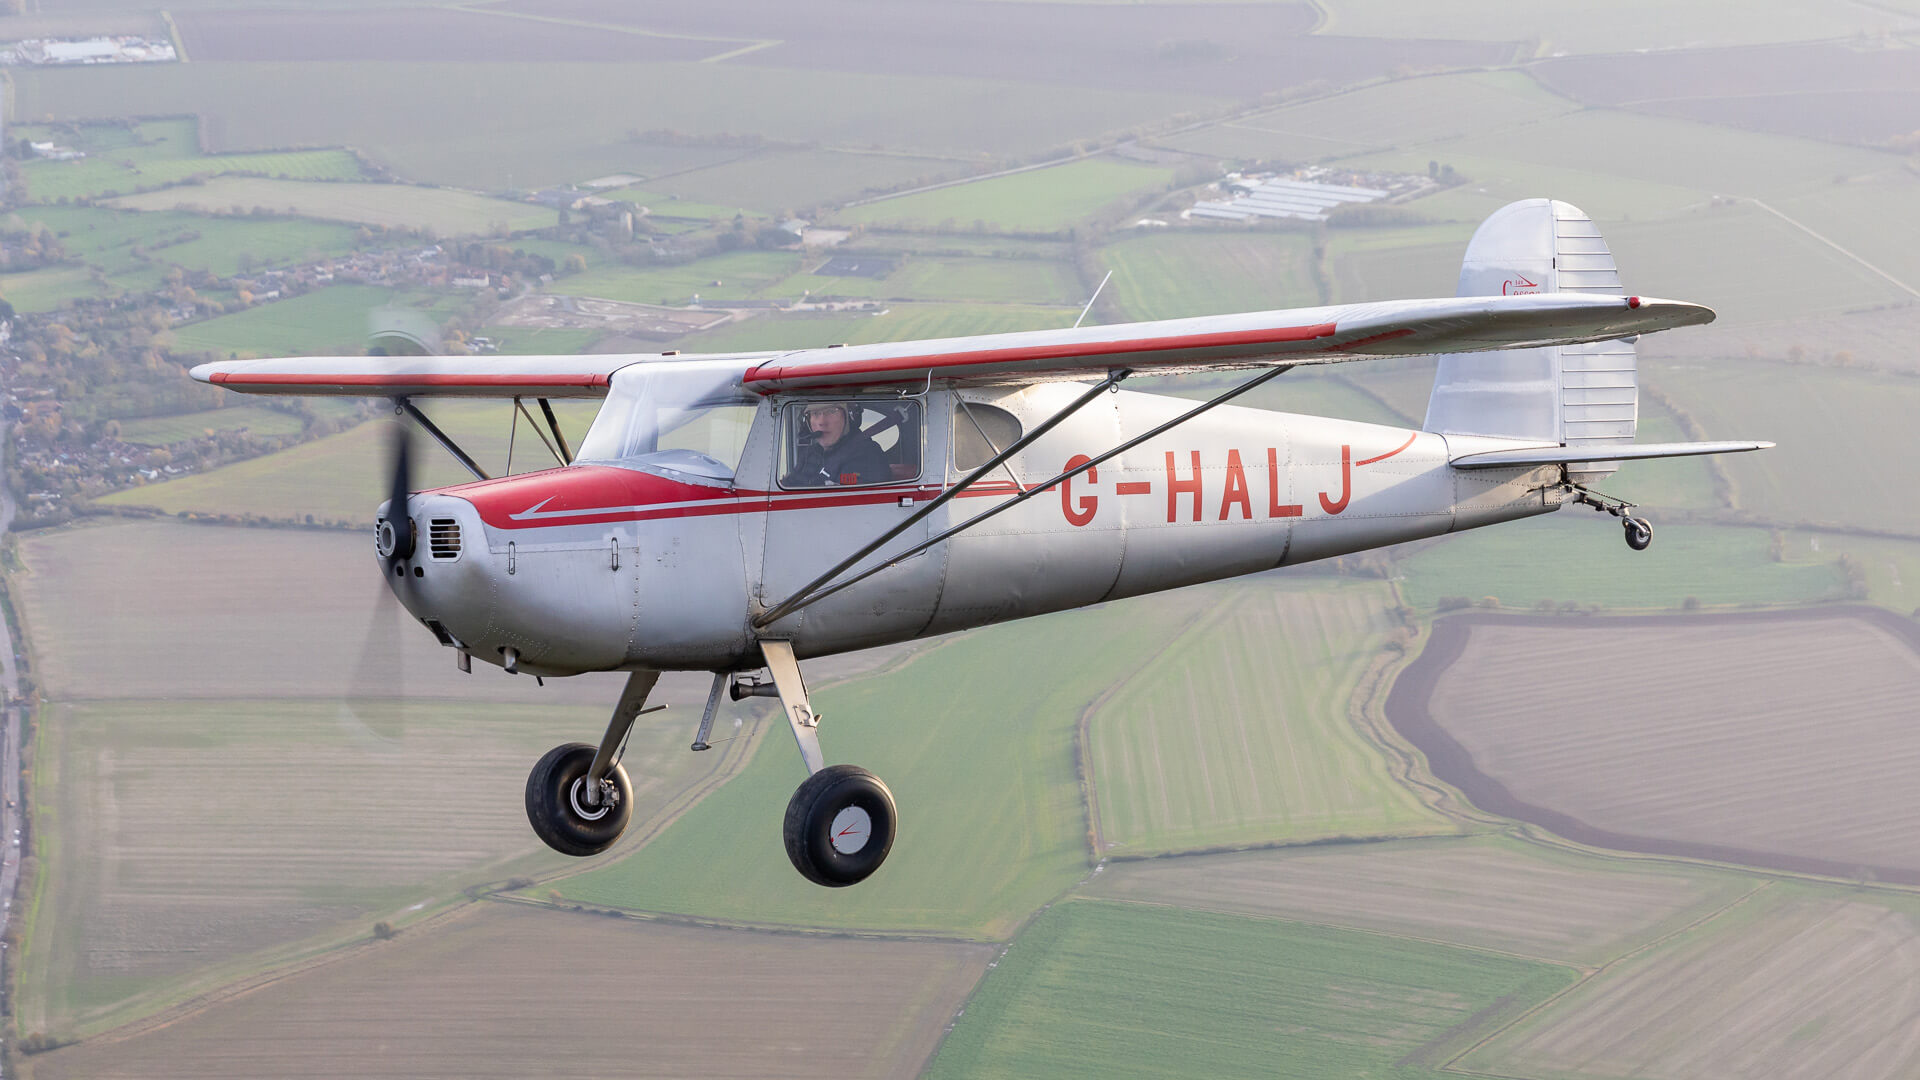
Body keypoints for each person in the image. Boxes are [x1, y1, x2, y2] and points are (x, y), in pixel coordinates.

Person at [785, 402, 892, 487]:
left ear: (850, 418)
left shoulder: (869, 454)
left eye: (831, 411)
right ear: (807, 422)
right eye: (815, 413)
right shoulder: (811, 453)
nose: (822, 422)